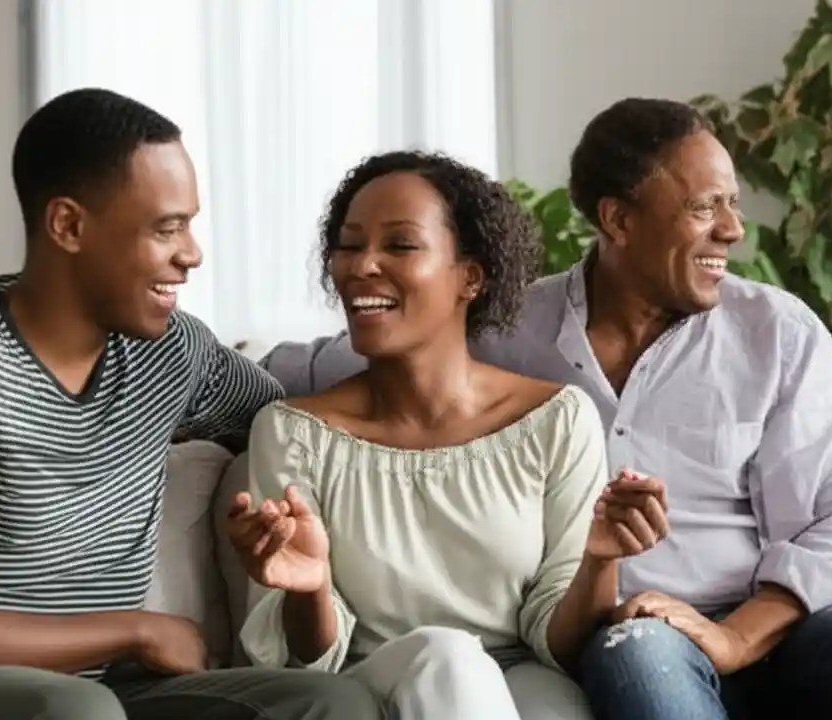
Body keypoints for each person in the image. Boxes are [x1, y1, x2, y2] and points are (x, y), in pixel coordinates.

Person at [264, 98, 832, 719]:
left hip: (782, 626)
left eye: (732, 205)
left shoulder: (777, 332)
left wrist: (738, 633)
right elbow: (346, 354)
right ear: (619, 219)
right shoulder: (504, 330)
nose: (733, 230)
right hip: (631, 634)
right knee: (640, 650)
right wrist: (208, 369)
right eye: (705, 207)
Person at [0, 88, 379, 720]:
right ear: (68, 226)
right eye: (167, 228)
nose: (192, 253)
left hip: (96, 689)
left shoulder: (172, 352)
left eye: (190, 224)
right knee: (76, 709)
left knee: (331, 703)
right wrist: (136, 631)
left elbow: (293, 420)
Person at [223, 150, 669, 720]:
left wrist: (598, 562)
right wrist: (308, 590)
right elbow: (303, 662)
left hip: (520, 677)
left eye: (400, 245)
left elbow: (560, 645)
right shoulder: (294, 432)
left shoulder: (556, 419)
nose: (362, 266)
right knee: (448, 657)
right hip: (366, 683)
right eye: (349, 245)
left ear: (470, 277)